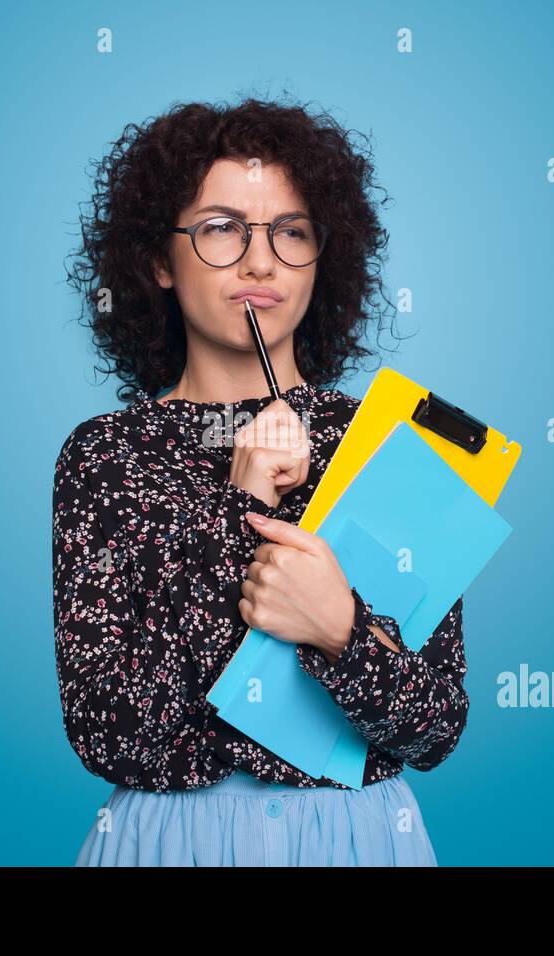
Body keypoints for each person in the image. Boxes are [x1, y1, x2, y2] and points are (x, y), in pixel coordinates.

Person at [54, 96, 468, 866]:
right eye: (220, 230)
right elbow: (113, 729)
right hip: (170, 841)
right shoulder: (109, 456)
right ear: (156, 260)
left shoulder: (394, 444)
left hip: (361, 841)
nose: (260, 261)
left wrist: (339, 630)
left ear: (323, 258)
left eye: (292, 232)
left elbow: (435, 727)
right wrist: (237, 506)